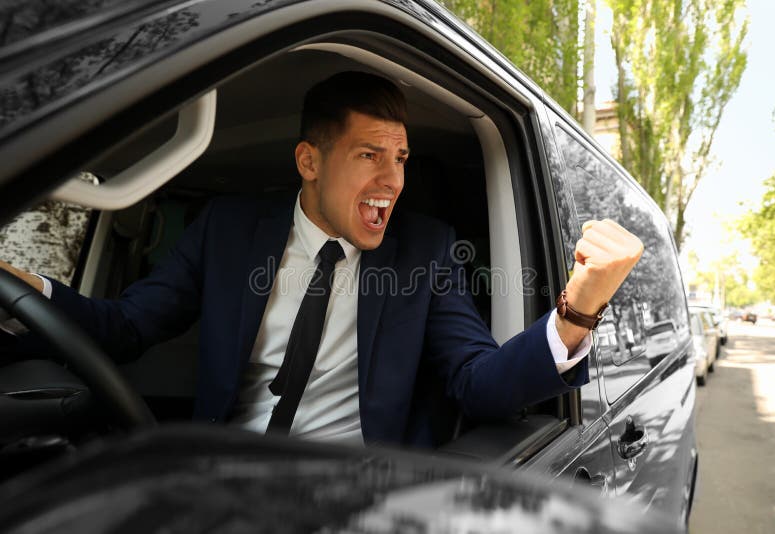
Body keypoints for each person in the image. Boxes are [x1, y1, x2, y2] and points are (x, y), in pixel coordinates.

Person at [0, 71, 643, 447]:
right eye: (370, 155)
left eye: (401, 159)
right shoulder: (227, 230)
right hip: (220, 476)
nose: (393, 181)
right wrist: (28, 290)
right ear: (310, 161)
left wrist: (577, 310)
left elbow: (477, 380)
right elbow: (126, 327)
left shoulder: (426, 250)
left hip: (352, 495)